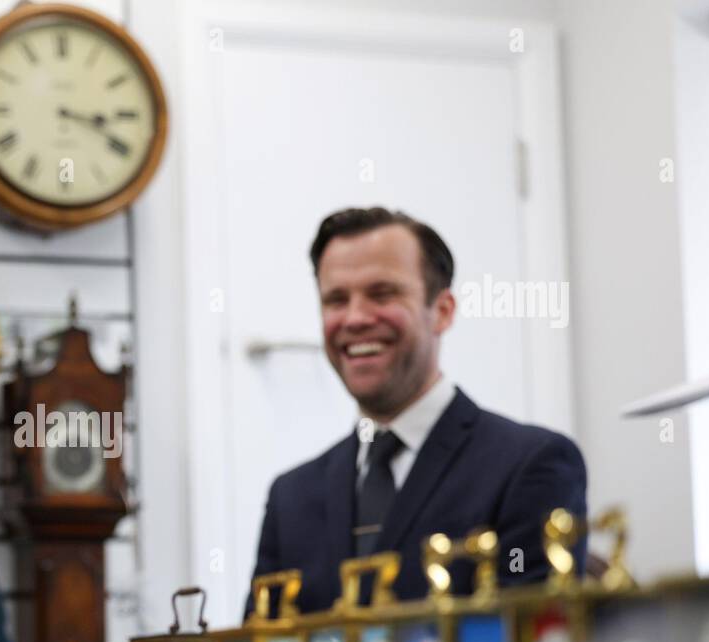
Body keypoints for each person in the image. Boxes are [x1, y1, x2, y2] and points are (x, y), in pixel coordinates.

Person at [246, 207, 587, 617]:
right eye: (336, 300)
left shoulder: (531, 465)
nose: (354, 318)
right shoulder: (290, 500)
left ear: (442, 311)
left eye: (382, 294)